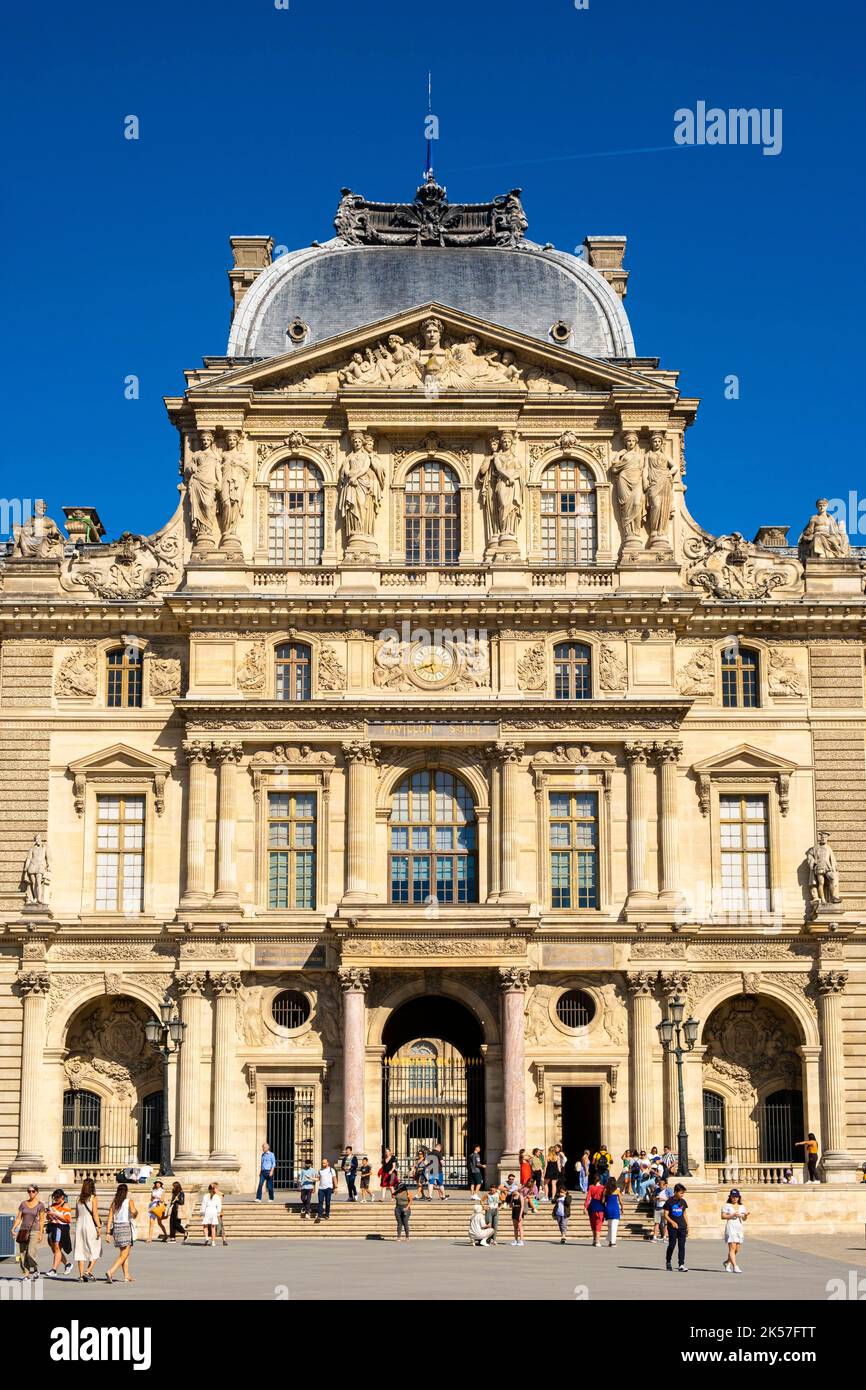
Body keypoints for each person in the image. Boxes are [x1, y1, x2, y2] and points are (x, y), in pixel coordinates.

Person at [105, 1183, 138, 1284]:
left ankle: (126, 1275)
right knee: (125, 1254)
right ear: (126, 1192)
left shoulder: (115, 1203)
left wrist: (107, 1233)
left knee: (124, 1253)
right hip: (125, 1227)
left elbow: (110, 1218)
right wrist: (136, 1212)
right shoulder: (129, 1201)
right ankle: (111, 1271)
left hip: (117, 1228)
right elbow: (133, 1212)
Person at [12, 1185, 45, 1280]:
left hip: (35, 1230)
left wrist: (41, 1233)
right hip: (23, 1230)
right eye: (29, 1191)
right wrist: (13, 1228)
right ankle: (26, 1274)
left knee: (30, 1252)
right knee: (22, 1253)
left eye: (33, 1191)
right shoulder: (23, 1204)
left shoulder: (40, 1205)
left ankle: (35, 1268)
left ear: (37, 1192)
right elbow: (19, 1217)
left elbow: (42, 1220)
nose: (31, 1193)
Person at [73, 1178, 102, 1281]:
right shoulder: (93, 1198)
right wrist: (99, 1227)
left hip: (80, 1225)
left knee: (80, 1249)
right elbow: (95, 1214)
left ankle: (81, 1276)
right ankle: (88, 1270)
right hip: (90, 1226)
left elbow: (76, 1215)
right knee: (96, 1248)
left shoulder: (78, 1199)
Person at [46, 1189, 73, 1276]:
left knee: (57, 1249)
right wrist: (49, 1215)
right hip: (52, 1228)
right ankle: (67, 1264)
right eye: (54, 1198)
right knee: (55, 1250)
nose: (56, 1199)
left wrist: (55, 1214)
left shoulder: (66, 1206)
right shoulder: (53, 1205)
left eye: (57, 1197)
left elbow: (67, 1219)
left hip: (60, 1228)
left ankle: (54, 1270)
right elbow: (50, 1218)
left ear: (62, 1197)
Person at [721, 1188, 748, 1273]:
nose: (735, 1198)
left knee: (736, 1249)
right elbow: (723, 1216)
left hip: (739, 1228)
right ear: (730, 1197)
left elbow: (744, 1219)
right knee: (732, 1247)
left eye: (736, 1197)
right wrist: (732, 1215)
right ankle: (735, 1267)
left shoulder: (742, 1207)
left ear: (739, 1197)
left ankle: (727, 1262)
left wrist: (746, 1215)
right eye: (733, 1196)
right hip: (731, 1227)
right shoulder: (727, 1206)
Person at [663, 1183, 689, 1272]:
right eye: (681, 1193)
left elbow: (684, 1214)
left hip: (682, 1227)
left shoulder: (683, 1202)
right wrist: (672, 1222)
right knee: (672, 1245)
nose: (682, 1195)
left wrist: (687, 1225)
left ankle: (681, 1264)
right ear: (676, 1192)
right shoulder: (669, 1202)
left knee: (682, 1246)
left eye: (683, 1193)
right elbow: (665, 1215)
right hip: (672, 1227)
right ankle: (668, 1262)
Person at [585, 1175, 605, 1248]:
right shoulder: (603, 1188)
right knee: (598, 1224)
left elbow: (588, 1198)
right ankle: (597, 1241)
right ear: (600, 1180)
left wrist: (585, 1207)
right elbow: (604, 1199)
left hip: (592, 1206)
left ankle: (594, 1239)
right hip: (600, 1206)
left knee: (593, 1224)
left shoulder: (591, 1187)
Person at [603, 1177, 623, 1246]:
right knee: (614, 1227)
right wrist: (622, 1208)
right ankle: (613, 1242)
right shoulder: (617, 1190)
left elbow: (603, 1201)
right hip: (615, 1209)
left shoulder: (606, 1190)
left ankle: (610, 1241)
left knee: (610, 1226)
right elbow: (620, 1201)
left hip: (608, 1209)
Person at [652, 1174, 671, 1241]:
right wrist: (655, 1198)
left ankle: (665, 1237)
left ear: (666, 1185)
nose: (661, 1187)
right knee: (656, 1222)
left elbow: (671, 1200)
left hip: (666, 1209)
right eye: (659, 1185)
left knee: (666, 1223)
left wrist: (663, 1199)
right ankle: (655, 1236)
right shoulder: (657, 1190)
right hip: (657, 1208)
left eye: (662, 1185)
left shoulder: (669, 1190)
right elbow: (653, 1198)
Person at [315, 1158, 335, 1222]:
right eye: (322, 1163)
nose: (323, 1164)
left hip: (328, 1188)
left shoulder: (331, 1170)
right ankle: (319, 1215)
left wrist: (336, 1187)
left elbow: (334, 1178)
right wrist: (311, 1179)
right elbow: (318, 1179)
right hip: (321, 1188)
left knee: (327, 1202)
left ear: (327, 1163)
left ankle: (327, 1214)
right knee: (320, 1202)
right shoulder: (320, 1170)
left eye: (324, 1163)